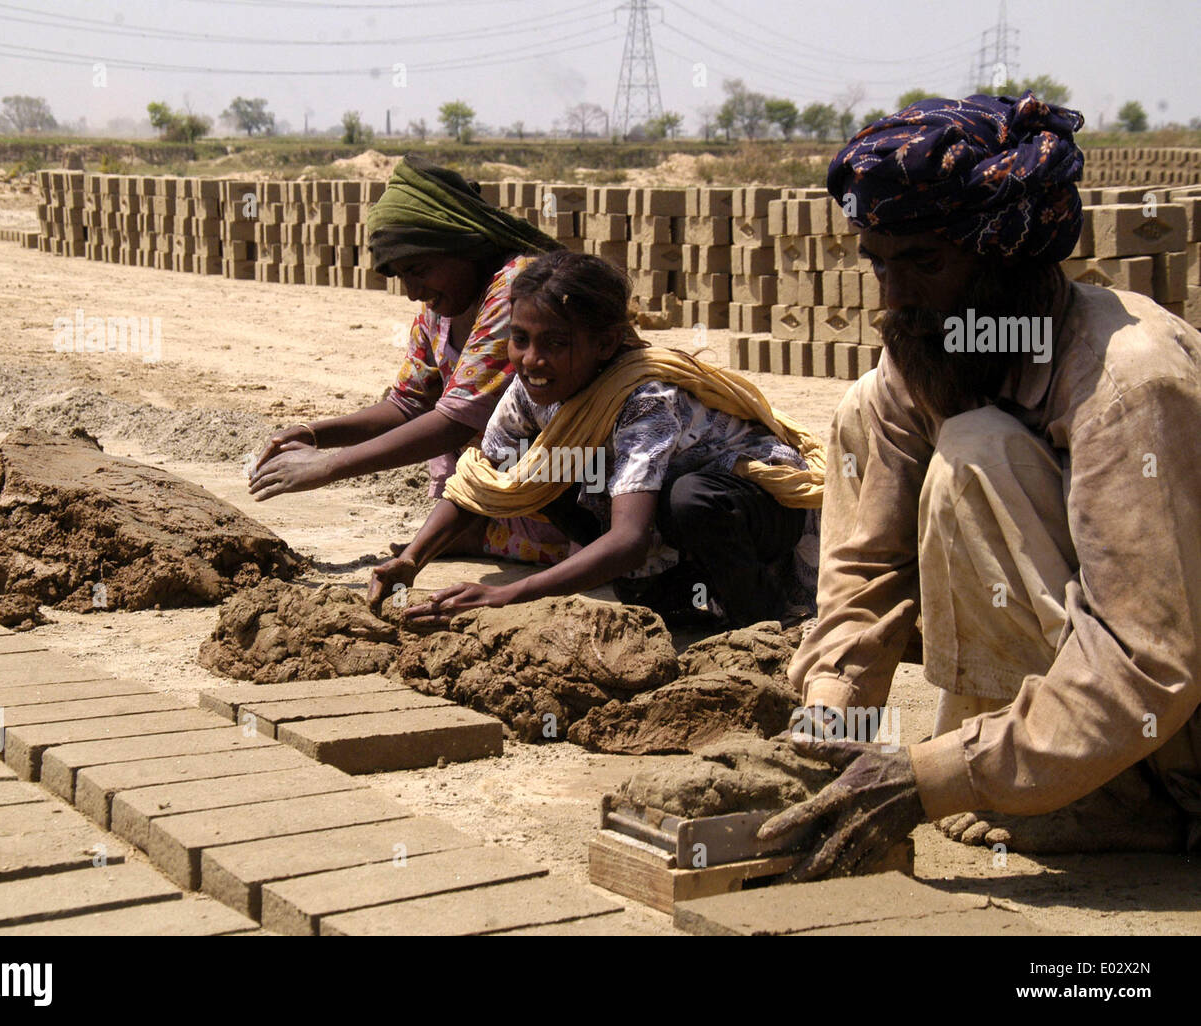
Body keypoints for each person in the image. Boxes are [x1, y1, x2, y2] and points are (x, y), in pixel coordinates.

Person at [754, 92, 1201, 881]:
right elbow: (865, 566)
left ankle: (1123, 801)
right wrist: (835, 713)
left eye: (924, 262)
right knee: (887, 414)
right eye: (878, 262)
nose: (892, 297)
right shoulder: (921, 350)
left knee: (977, 452)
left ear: (1008, 257)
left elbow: (1150, 664)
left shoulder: (1129, 382)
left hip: (1177, 728)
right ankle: (1016, 768)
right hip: (1080, 714)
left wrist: (929, 776)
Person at [367, 249, 825, 629]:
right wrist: (412, 559)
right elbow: (479, 480)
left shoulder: (646, 398)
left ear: (604, 346)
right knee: (536, 466)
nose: (531, 360)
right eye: (520, 339)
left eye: (556, 344)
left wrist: (507, 595)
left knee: (692, 497)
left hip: (755, 513)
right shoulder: (530, 391)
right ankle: (668, 593)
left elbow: (628, 537)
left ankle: (761, 616)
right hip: (669, 522)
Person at [248, 154, 569, 564]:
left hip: (563, 480)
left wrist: (326, 468)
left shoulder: (517, 289)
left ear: (464, 245)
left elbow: (455, 422)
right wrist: (314, 433)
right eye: (401, 276)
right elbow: (408, 402)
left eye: (419, 270)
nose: (412, 292)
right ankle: (481, 529)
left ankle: (508, 535)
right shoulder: (440, 310)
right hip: (502, 482)